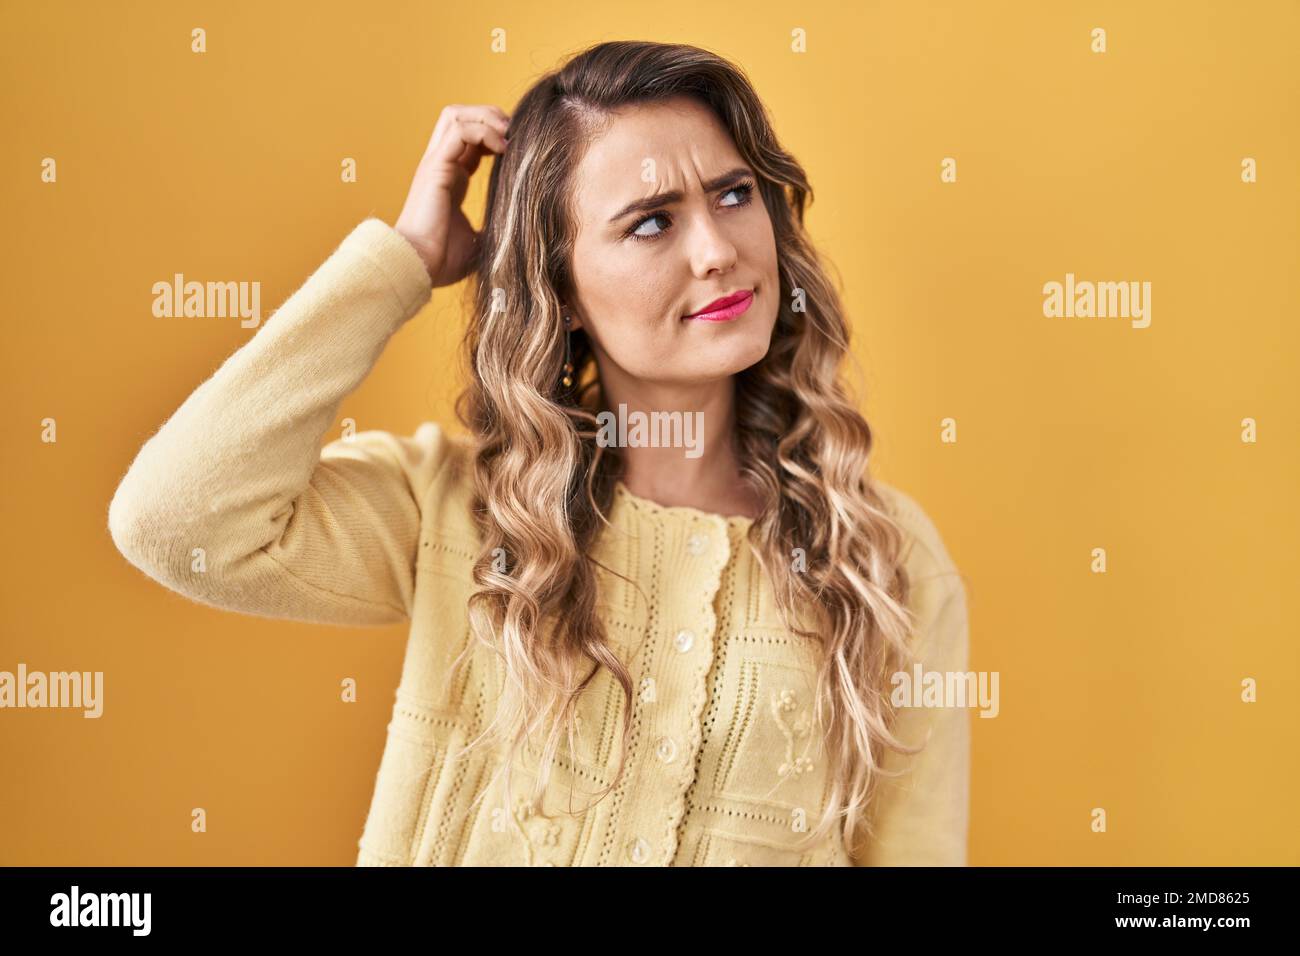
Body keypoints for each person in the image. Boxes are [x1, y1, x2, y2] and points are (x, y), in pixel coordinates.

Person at [108, 40, 970, 866]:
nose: (717, 251)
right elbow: (175, 520)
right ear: (560, 286)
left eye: (734, 194)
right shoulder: (452, 512)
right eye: (651, 223)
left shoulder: (882, 560)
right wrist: (403, 260)